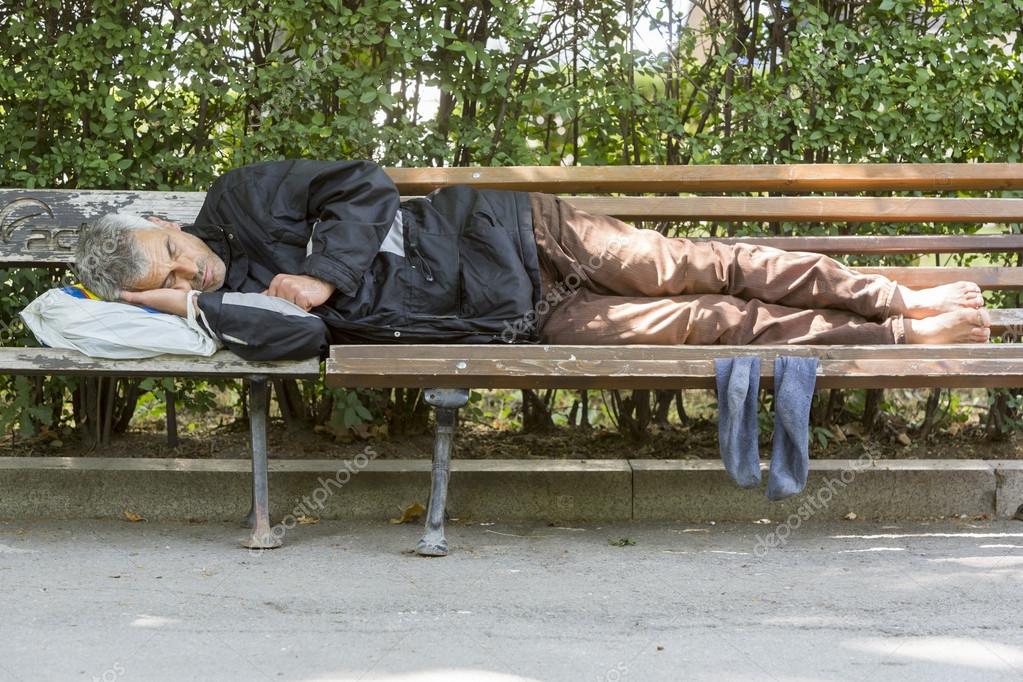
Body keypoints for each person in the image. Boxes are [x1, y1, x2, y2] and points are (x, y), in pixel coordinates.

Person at [73, 159, 990, 361]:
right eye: (168, 282)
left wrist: (328, 270)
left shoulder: (240, 199)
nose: (189, 270)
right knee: (704, 322)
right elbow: (300, 345)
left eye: (173, 255)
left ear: (168, 223)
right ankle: (909, 326)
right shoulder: (230, 312)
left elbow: (359, 184)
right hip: (514, 317)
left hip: (520, 236)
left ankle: (880, 295)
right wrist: (185, 315)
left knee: (705, 265)